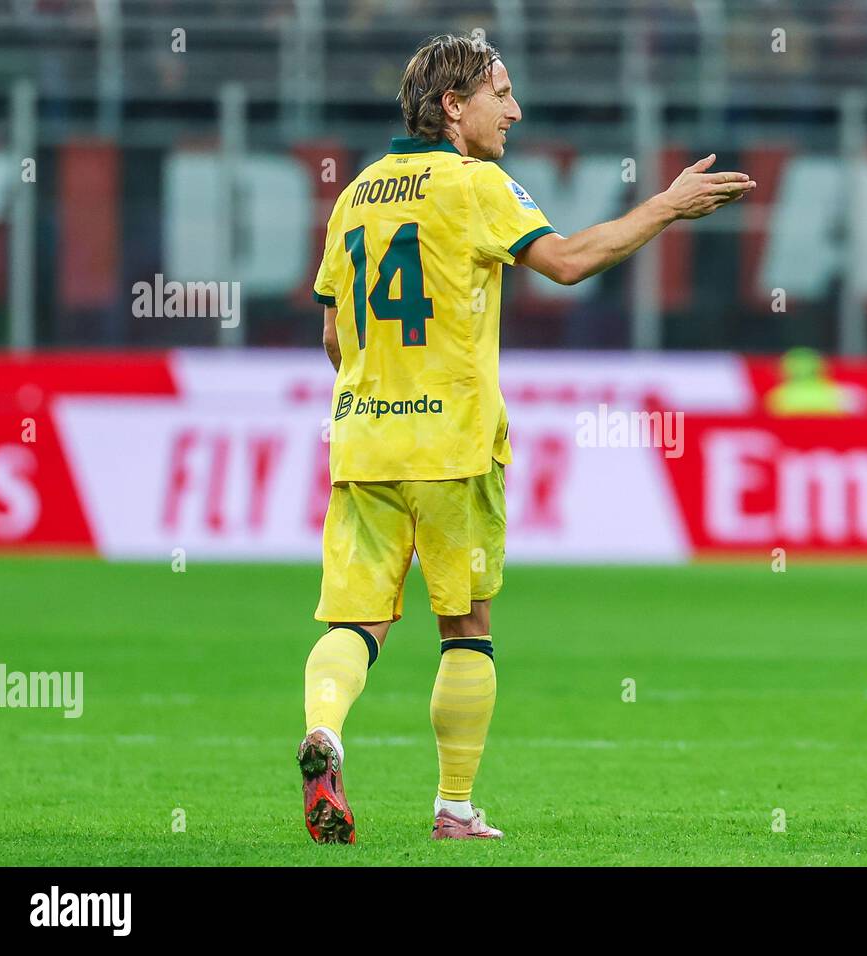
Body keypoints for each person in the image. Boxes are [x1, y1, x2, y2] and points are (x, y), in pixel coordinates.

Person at [299, 32, 755, 842]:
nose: (515, 110)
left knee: (356, 625)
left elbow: (335, 340)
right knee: (466, 627)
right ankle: (455, 810)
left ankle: (326, 732)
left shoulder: (356, 193)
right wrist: (666, 205)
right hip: (453, 446)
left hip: (365, 441)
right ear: (452, 107)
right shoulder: (476, 184)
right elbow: (570, 261)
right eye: (499, 94)